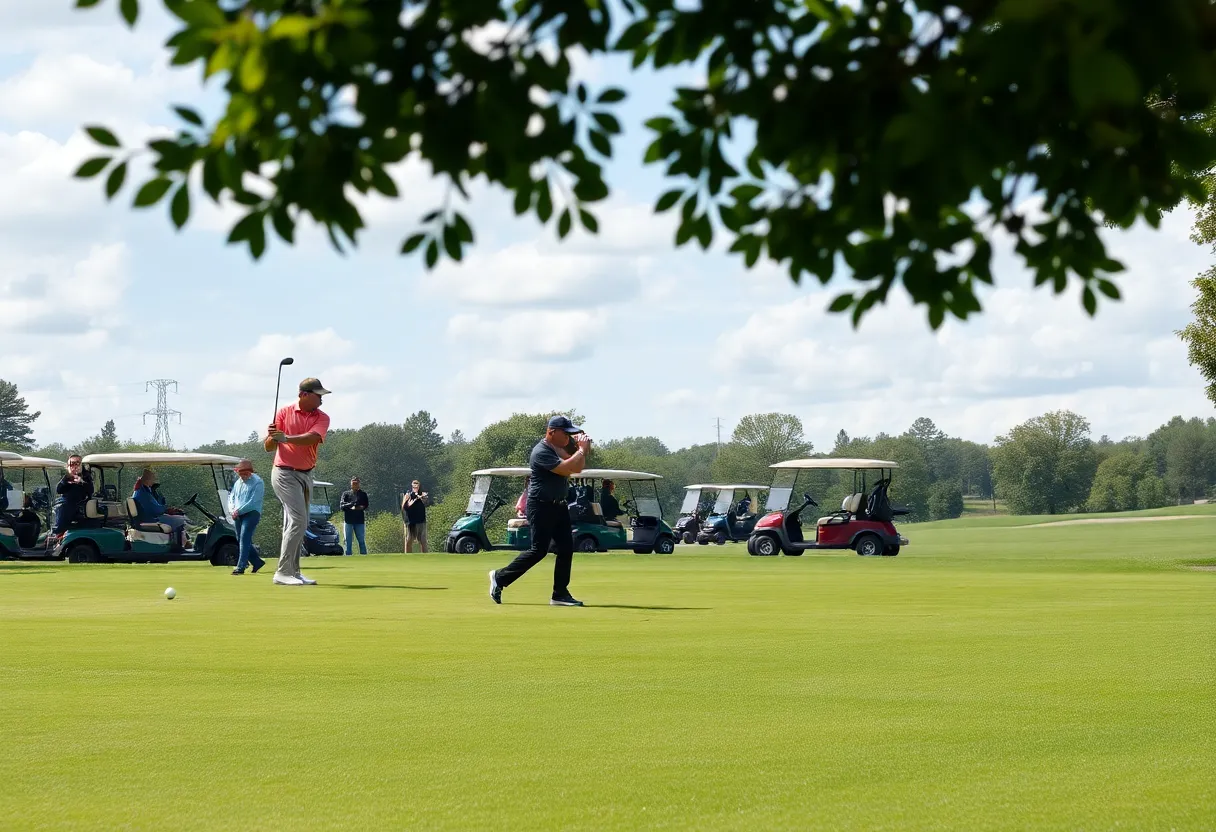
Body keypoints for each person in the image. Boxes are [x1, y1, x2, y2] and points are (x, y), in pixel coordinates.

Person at [489, 415, 592, 607]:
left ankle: (559, 594)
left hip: (558, 505)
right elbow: (564, 469)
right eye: (566, 433)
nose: (569, 437)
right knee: (539, 550)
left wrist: (584, 450)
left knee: (566, 548)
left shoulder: (560, 448)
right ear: (552, 432)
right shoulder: (541, 451)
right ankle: (500, 578)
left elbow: (577, 468)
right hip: (541, 505)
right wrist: (581, 450)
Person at [265, 377, 331, 586]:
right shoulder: (284, 412)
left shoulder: (322, 417)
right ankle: (282, 572)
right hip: (284, 473)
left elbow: (312, 437)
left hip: (306, 474)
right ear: (304, 395)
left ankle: (294, 571)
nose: (321, 399)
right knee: (299, 521)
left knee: (295, 523)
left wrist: (286, 438)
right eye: (317, 395)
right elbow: (268, 447)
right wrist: (273, 437)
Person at [131, 468, 188, 549]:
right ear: (147, 479)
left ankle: (183, 544)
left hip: (149, 517)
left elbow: (154, 507)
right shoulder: (143, 494)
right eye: (153, 478)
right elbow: (155, 510)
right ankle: (179, 547)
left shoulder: (143, 491)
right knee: (181, 520)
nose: (154, 481)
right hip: (150, 519)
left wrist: (166, 510)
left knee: (179, 519)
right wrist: (165, 509)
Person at [227, 458, 266, 575]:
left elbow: (253, 502)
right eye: (241, 473)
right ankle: (257, 562)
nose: (243, 476)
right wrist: (232, 510)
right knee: (241, 539)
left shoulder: (258, 482)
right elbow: (231, 497)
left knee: (244, 537)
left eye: (246, 474)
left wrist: (238, 511)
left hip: (251, 513)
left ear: (251, 472)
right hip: (237, 513)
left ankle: (241, 567)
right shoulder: (238, 482)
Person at [51, 455, 93, 539]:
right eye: (72, 464)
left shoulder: (86, 476)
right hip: (66, 501)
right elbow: (59, 490)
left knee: (65, 507)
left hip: (79, 503)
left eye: (77, 463)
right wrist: (67, 479)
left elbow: (90, 491)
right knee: (60, 506)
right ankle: (56, 533)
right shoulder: (66, 477)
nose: (75, 466)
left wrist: (81, 482)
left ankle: (58, 533)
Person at [340, 476, 369, 555]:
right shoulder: (346, 494)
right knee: (347, 541)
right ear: (351, 484)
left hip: (359, 521)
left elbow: (365, 505)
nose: (355, 485)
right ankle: (348, 556)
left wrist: (358, 507)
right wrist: (351, 505)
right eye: (353, 483)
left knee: (361, 541)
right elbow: (342, 506)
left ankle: (364, 556)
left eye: (356, 483)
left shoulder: (363, 494)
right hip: (348, 520)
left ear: (359, 484)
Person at [402, 480, 430, 553]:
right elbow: (404, 507)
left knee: (423, 540)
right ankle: (407, 557)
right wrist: (412, 499)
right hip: (411, 521)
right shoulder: (408, 495)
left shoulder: (422, 495)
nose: (415, 487)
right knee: (409, 540)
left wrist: (421, 497)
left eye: (416, 485)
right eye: (414, 485)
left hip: (421, 520)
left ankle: (425, 557)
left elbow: (426, 503)